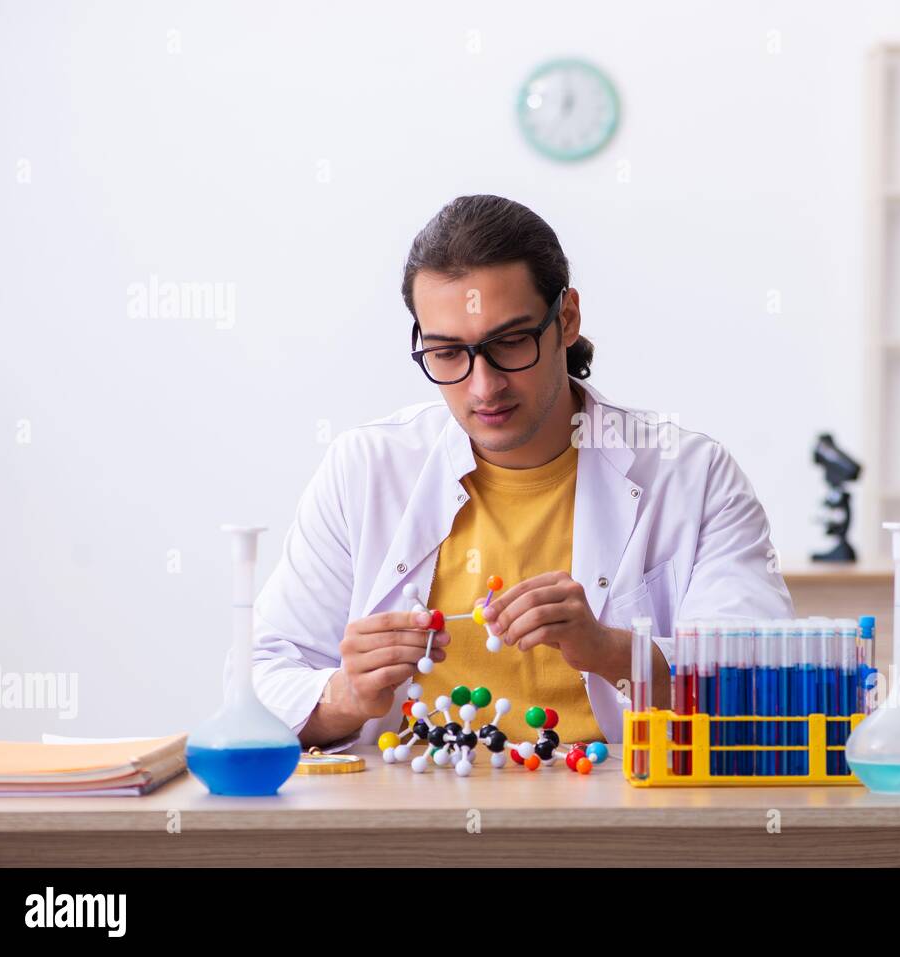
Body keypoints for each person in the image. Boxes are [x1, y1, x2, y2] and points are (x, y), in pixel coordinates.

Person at [243, 194, 793, 750]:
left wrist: (607, 649)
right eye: (448, 353)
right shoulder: (364, 470)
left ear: (568, 318)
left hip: (616, 820)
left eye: (510, 343)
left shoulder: (692, 476)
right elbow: (255, 687)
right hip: (409, 820)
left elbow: (766, 687)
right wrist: (346, 697)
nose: (483, 387)